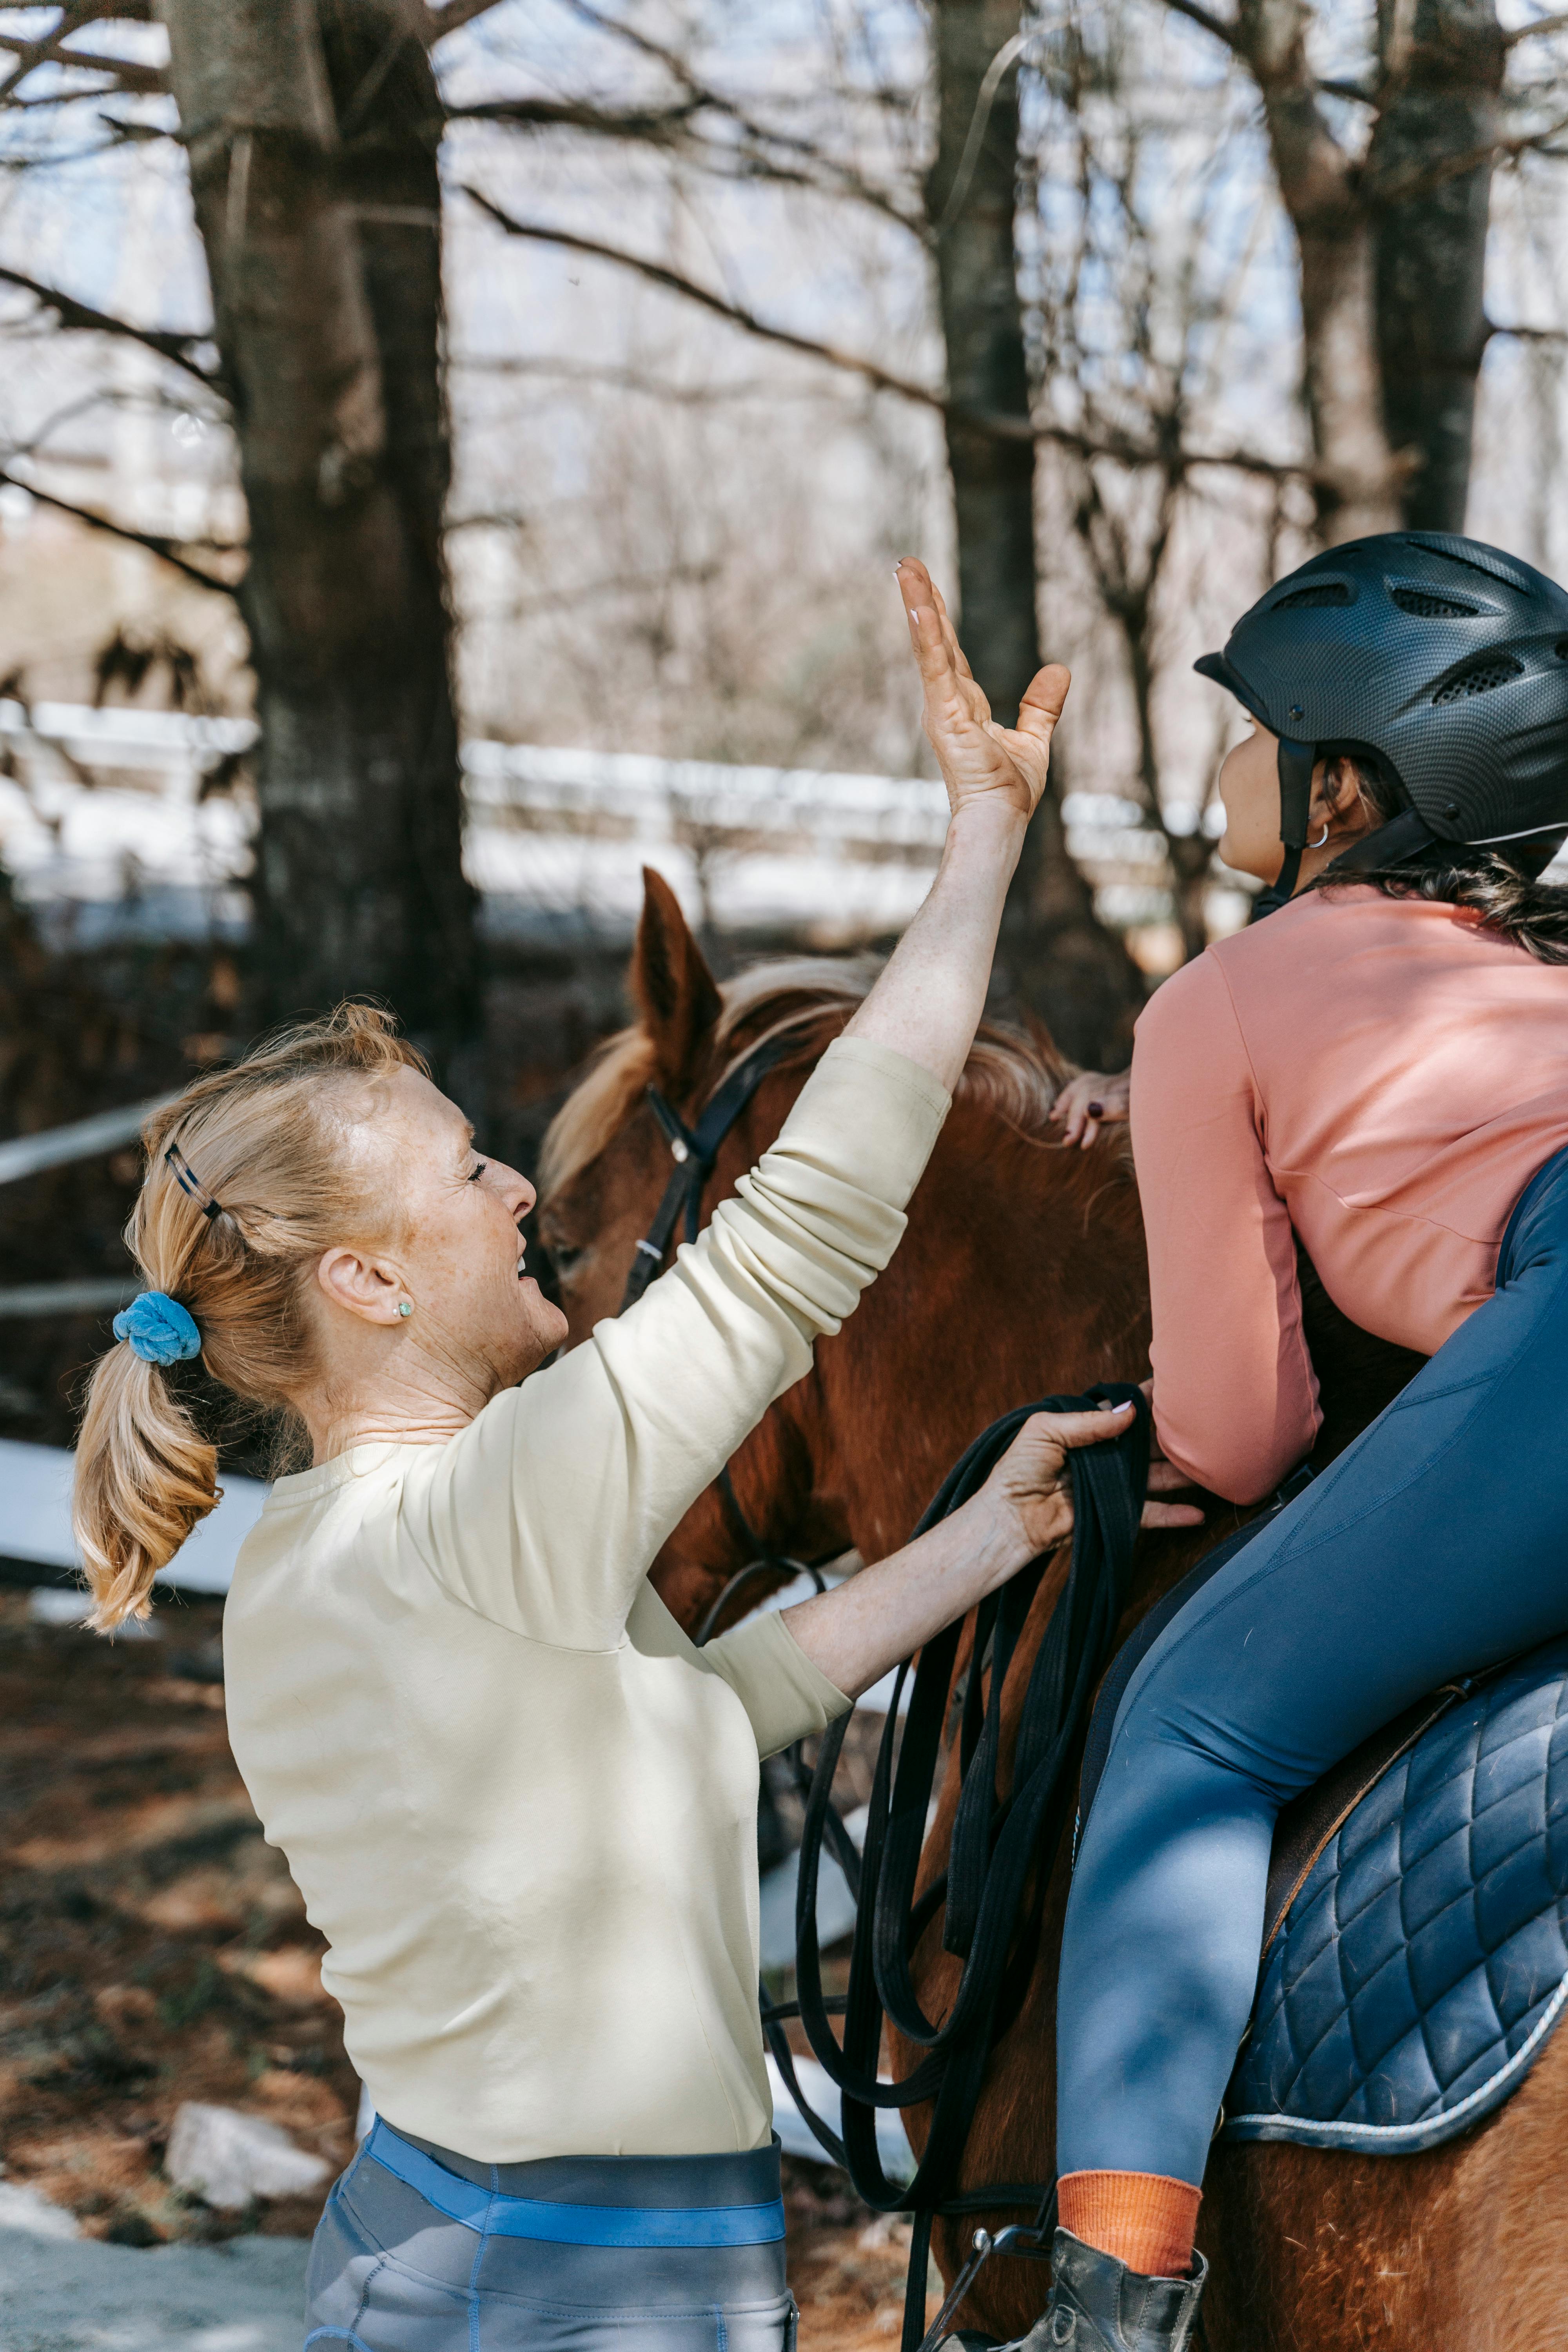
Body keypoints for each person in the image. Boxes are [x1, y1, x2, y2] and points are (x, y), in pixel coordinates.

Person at [70, 557, 1196, 2352]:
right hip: (591, 2279)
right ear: (363, 1280)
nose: (521, 1186)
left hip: (438, 2227)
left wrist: (985, 1536)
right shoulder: (492, 1513)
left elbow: (688, 1725)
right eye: (467, 1172)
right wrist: (980, 846)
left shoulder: (309, 1555)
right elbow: (801, 1233)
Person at [1008, 532, 1568, 2352]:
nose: (1224, 766)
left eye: (1249, 728)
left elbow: (1240, 1438)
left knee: (1189, 1730)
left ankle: (1108, 2311)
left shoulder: (1221, 1001)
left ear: (1344, 784)